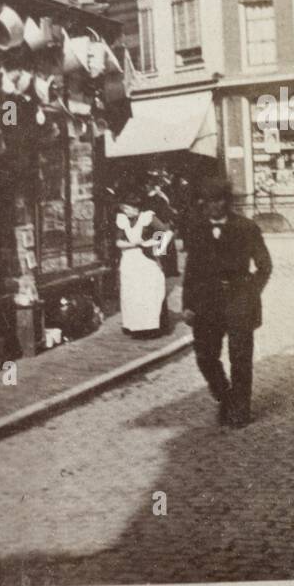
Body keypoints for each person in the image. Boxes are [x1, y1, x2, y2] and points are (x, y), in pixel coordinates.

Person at [181, 175, 273, 428]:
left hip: (238, 300)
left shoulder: (246, 227)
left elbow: (265, 265)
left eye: (219, 200)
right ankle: (226, 396)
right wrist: (187, 304)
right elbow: (191, 271)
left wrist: (250, 291)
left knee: (240, 359)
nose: (214, 206)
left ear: (227, 201)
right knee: (205, 357)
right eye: (209, 201)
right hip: (207, 303)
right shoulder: (197, 229)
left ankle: (240, 411)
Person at [116, 194, 169, 337]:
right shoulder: (123, 221)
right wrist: (133, 244)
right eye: (123, 208)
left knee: (148, 293)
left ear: (136, 208)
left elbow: (164, 232)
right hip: (129, 260)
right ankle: (134, 326)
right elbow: (118, 242)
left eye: (126, 208)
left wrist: (155, 249)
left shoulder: (147, 217)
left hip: (145, 260)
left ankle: (150, 327)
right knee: (132, 293)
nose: (125, 211)